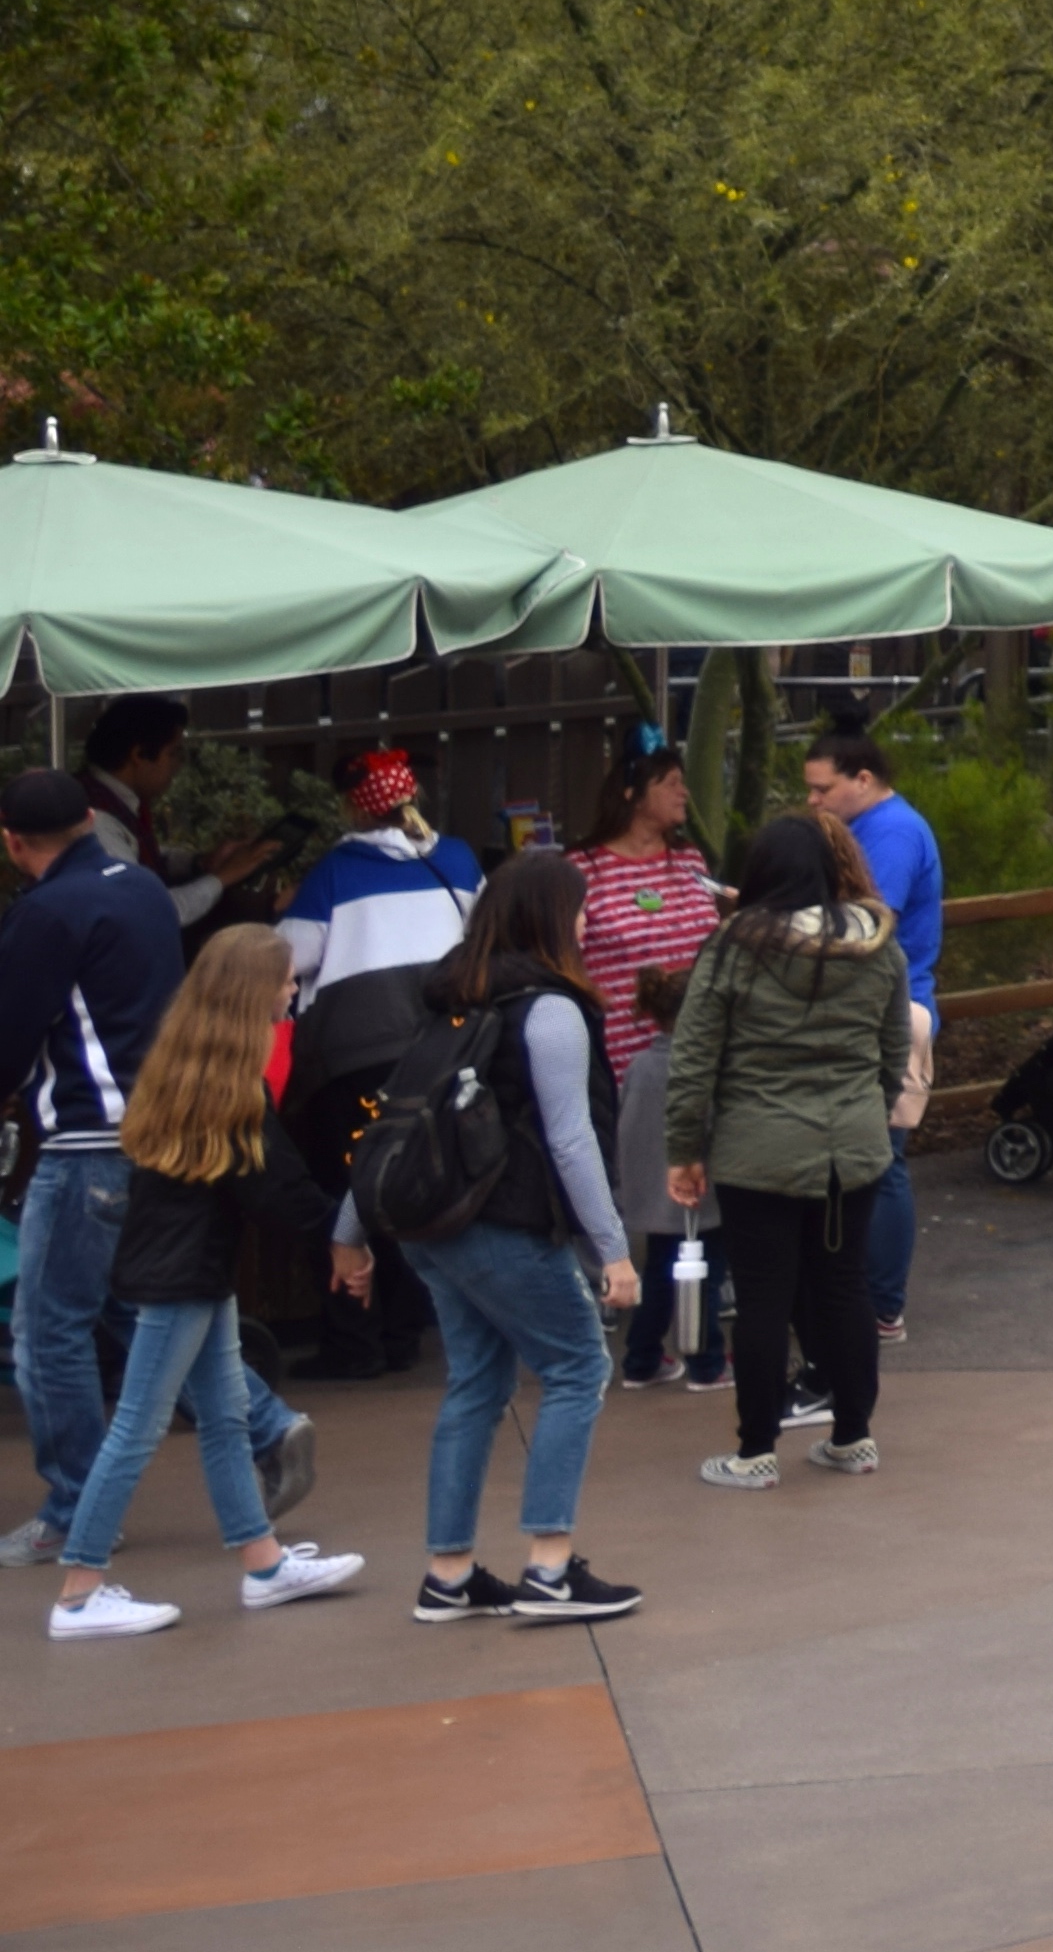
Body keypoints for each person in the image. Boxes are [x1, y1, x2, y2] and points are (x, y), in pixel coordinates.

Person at [350, 854, 650, 1625]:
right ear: (549, 917)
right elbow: (572, 1140)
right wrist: (611, 1248)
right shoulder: (548, 1008)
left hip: (431, 1228)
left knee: (476, 1385)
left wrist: (349, 1228)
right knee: (578, 1365)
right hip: (505, 1221)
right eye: (580, 909)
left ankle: (447, 1575)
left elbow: (394, 1114)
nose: (589, 921)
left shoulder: (451, 1001)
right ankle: (549, 1569)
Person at [41, 937, 361, 1639]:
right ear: (255, 993)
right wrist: (350, 1235)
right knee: (137, 1427)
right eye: (285, 982)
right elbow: (280, 1189)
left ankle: (265, 1564)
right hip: (185, 1275)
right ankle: (77, 1593)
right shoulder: (233, 1086)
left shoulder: (186, 1066)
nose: (291, 993)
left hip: (188, 1269)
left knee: (223, 1418)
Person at [665, 817, 914, 1492]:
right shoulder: (880, 944)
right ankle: (854, 1437)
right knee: (843, 1286)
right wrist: (867, 1108)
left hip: (758, 1150)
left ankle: (756, 1450)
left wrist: (684, 1146)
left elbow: (694, 1058)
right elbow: (896, 1052)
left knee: (764, 1298)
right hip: (852, 1151)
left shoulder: (734, 946)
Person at [2, 770, 206, 1571]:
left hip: (87, 1137)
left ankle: (74, 1510)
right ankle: (266, 1427)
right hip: (156, 1127)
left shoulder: (44, 911)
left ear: (12, 842)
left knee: (47, 1330)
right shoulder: (146, 888)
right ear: (90, 819)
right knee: (145, 1307)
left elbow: (11, 1031)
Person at [572, 732, 730, 1390]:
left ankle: (674, 1332)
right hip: (619, 1060)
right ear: (633, 791)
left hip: (697, 1057)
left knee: (693, 1195)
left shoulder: (690, 862)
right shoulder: (583, 869)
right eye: (671, 782)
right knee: (637, 1189)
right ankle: (621, 1296)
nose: (683, 793)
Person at [803, 730, 943, 1346]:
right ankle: (863, 1293)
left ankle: (883, 1304)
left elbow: (865, 918)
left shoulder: (891, 833)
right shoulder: (873, 828)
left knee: (882, 1162)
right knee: (868, 1163)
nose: (813, 801)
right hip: (878, 1007)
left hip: (889, 1011)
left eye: (822, 788)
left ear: (863, 779)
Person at [279, 747, 483, 997]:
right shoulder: (459, 858)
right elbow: (485, 934)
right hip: (449, 1024)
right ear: (414, 795)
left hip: (361, 1027)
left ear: (357, 811)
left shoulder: (334, 871)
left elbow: (285, 960)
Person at [73, 695, 279, 938]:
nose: (178, 765)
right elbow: (156, 910)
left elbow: (138, 852)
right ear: (139, 754)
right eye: (173, 753)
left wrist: (200, 862)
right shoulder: (97, 821)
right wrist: (223, 877)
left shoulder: (114, 801)